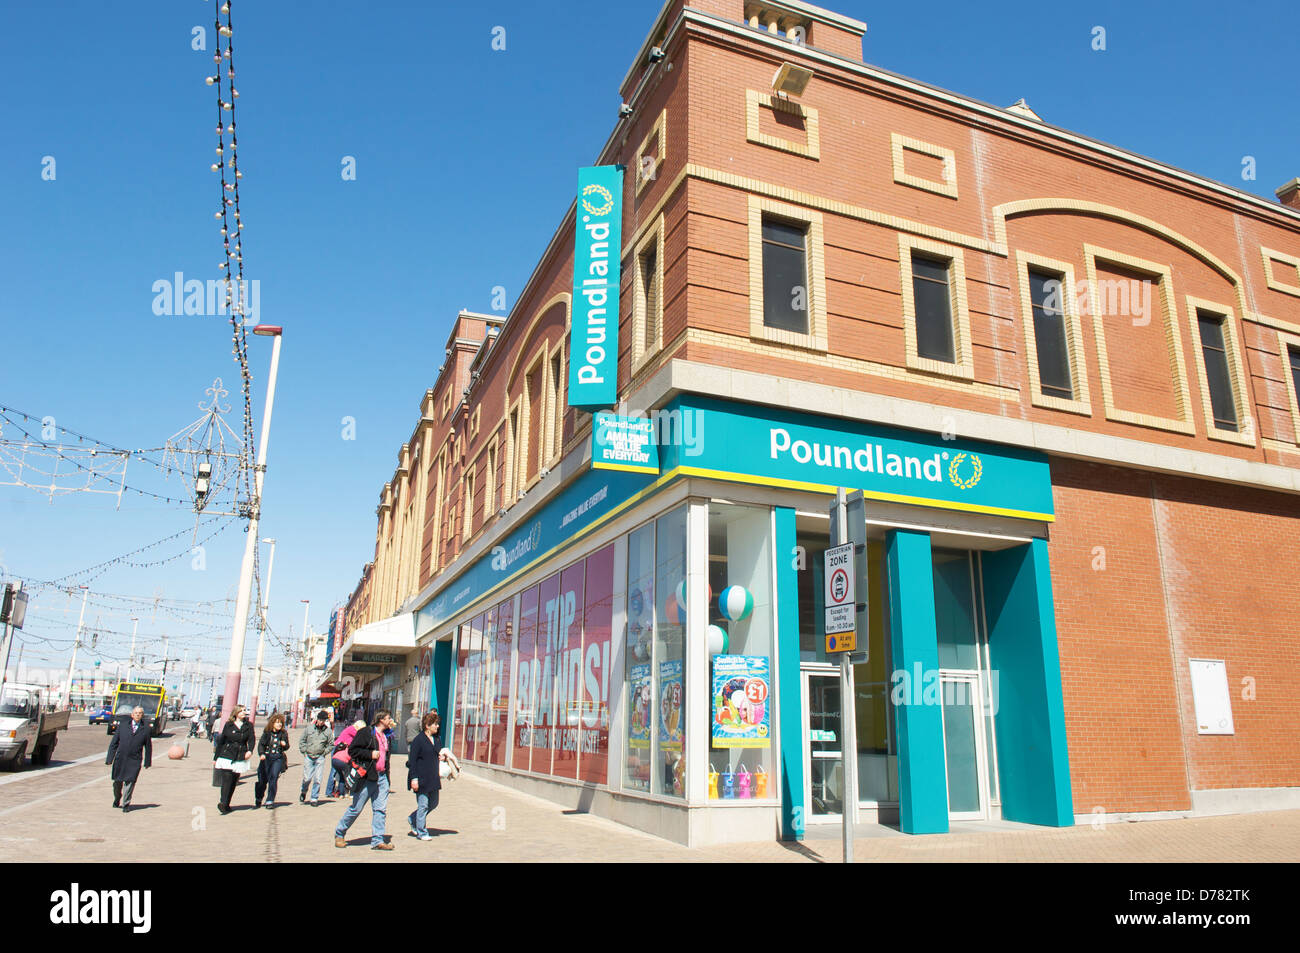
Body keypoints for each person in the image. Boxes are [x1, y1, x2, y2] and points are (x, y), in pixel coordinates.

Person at [334, 710, 396, 851]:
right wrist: (370, 754)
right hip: (367, 777)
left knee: (380, 809)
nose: (390, 720)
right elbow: (353, 751)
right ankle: (340, 833)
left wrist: (387, 777)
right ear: (381, 720)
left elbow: (386, 759)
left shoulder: (387, 736)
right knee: (356, 808)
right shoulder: (366, 732)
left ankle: (377, 840)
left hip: (381, 777)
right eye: (388, 718)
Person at [106, 705, 152, 812]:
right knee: (117, 782)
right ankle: (117, 798)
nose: (138, 715)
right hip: (120, 758)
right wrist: (110, 758)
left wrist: (147, 762)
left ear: (142, 715)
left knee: (130, 782)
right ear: (132, 715)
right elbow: (114, 743)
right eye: (136, 713)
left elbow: (148, 746)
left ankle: (126, 804)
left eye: (140, 713)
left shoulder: (145, 729)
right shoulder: (123, 726)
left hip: (134, 760)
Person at [406, 710, 444, 841]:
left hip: (433, 777)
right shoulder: (419, 740)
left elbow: (437, 753)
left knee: (433, 803)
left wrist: (442, 756)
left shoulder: (436, 739)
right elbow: (412, 761)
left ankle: (413, 818)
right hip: (421, 777)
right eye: (435, 724)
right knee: (423, 805)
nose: (437, 726)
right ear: (427, 725)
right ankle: (421, 831)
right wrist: (414, 779)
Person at [213, 705, 255, 814]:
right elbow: (221, 741)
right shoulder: (229, 725)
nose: (244, 713)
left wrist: (250, 751)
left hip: (240, 754)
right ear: (236, 713)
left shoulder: (248, 725)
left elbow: (251, 739)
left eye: (245, 711)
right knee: (226, 779)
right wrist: (216, 757)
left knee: (233, 781)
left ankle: (227, 803)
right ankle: (223, 802)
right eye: (241, 711)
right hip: (227, 754)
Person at [254, 712, 290, 808]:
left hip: (277, 758)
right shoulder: (267, 733)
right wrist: (261, 754)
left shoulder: (283, 734)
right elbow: (261, 744)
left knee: (273, 778)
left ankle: (270, 800)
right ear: (272, 723)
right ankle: (259, 797)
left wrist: (284, 744)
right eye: (277, 722)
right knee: (262, 780)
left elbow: (287, 746)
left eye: (281, 723)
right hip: (266, 757)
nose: (279, 724)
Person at [298, 709, 333, 805]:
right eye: (320, 719)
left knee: (318, 779)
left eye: (324, 720)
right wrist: (304, 750)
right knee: (307, 778)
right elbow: (302, 740)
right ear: (317, 719)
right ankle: (303, 791)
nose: (321, 722)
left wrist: (324, 752)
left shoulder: (328, 732)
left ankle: (314, 798)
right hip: (309, 756)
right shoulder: (309, 729)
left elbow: (331, 744)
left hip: (320, 757)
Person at [325, 718, 365, 799]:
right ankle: (330, 791)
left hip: (341, 749)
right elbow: (360, 737)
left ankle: (339, 792)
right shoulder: (352, 729)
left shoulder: (351, 729)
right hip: (340, 749)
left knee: (338, 772)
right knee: (335, 771)